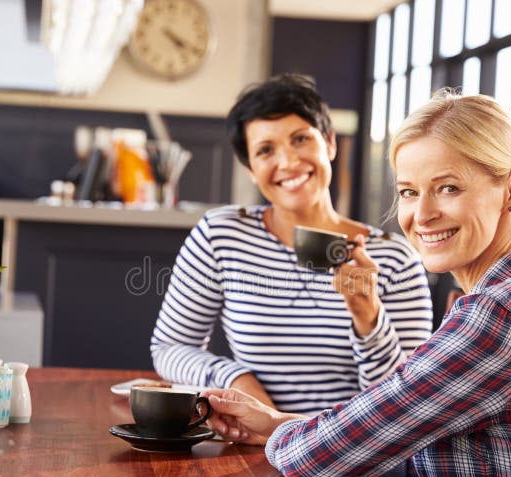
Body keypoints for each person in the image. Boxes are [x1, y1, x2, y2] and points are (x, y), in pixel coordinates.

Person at [201, 90, 511, 477]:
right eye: (409, 192)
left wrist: (283, 435)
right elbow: (419, 437)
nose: (423, 214)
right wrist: (278, 424)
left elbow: (317, 460)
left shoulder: (502, 313)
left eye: (448, 188)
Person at [150, 73, 433, 415]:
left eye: (300, 139)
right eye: (265, 150)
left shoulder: (395, 258)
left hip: (348, 458)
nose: (287, 162)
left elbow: (404, 407)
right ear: (251, 169)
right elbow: (169, 346)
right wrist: (236, 379)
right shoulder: (221, 234)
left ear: (329, 143)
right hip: (254, 449)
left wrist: (368, 318)